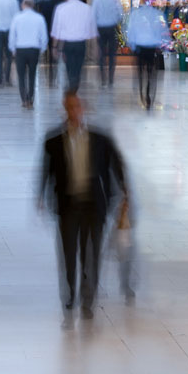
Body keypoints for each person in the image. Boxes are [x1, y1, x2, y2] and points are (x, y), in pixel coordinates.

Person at [36, 93, 129, 324]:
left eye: (77, 106)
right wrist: (40, 195)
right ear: (64, 110)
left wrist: (124, 191)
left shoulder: (100, 139)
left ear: (83, 108)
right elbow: (46, 170)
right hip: (67, 206)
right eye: (69, 107)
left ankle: (88, 299)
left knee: (92, 254)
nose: (74, 111)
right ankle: (69, 296)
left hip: (94, 206)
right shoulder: (53, 141)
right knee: (69, 254)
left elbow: (117, 164)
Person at [125, 0, 170, 110]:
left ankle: (141, 91)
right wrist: (163, 45)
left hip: (140, 47)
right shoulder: (157, 14)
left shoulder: (136, 14)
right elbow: (163, 30)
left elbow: (131, 31)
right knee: (151, 72)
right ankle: (149, 93)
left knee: (140, 72)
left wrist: (131, 45)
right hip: (152, 47)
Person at [50, 0, 97, 94]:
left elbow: (57, 30)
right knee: (78, 68)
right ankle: (74, 84)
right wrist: (94, 47)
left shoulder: (61, 8)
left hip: (68, 44)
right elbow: (92, 29)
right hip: (81, 44)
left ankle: (72, 85)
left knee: (69, 67)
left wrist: (54, 47)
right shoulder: (87, 8)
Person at [8, 0, 48, 109]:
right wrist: (42, 49)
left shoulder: (17, 18)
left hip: (20, 49)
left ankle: (24, 99)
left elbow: (12, 35)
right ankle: (30, 98)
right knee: (32, 75)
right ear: (33, 5)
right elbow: (44, 36)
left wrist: (12, 49)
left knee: (21, 76)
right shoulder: (39, 18)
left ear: (23, 5)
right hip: (34, 49)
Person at [91, 0, 122, 88]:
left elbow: (93, 14)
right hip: (111, 27)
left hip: (101, 28)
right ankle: (111, 78)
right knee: (112, 54)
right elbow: (120, 13)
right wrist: (115, 21)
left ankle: (103, 78)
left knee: (101, 53)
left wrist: (94, 30)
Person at [35, 0, 63, 88]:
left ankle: (51, 73)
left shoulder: (45, 4)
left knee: (50, 51)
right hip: (59, 32)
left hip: (48, 30)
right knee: (57, 52)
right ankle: (55, 74)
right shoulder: (62, 4)